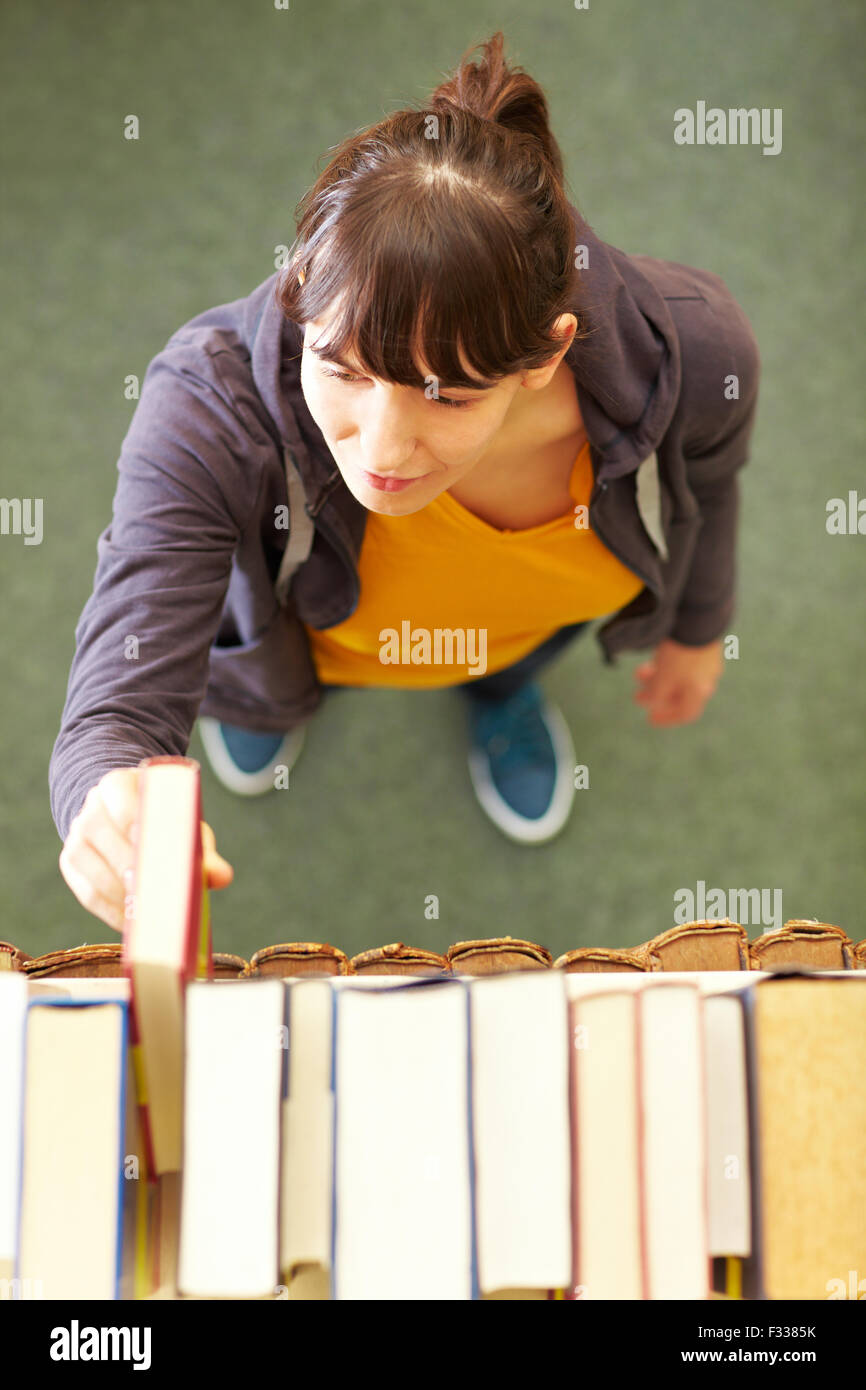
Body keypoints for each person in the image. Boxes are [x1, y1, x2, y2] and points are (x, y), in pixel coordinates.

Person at [51, 31, 760, 933]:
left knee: (508, 664)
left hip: (526, 624)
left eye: (450, 397)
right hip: (309, 634)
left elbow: (717, 481)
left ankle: (499, 696)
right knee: (267, 677)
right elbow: (127, 673)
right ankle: (272, 702)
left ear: (547, 356)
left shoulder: (698, 355)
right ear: (304, 292)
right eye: (341, 370)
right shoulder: (207, 400)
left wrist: (701, 627)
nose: (383, 451)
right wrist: (107, 783)